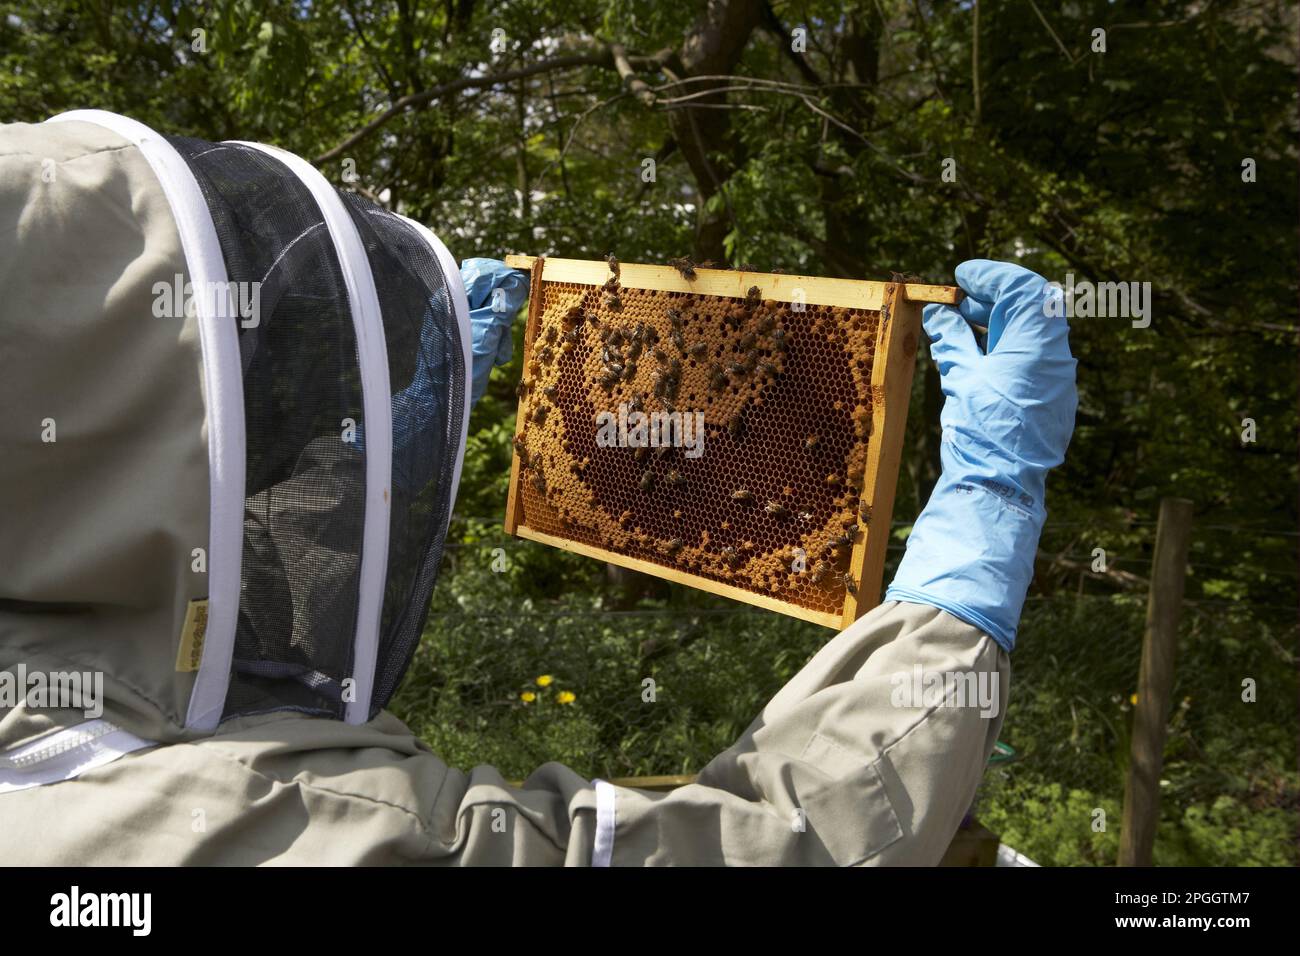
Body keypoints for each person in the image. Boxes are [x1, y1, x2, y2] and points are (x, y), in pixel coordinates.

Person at [0, 116, 1075, 865]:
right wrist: (981, 521)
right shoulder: (273, 829)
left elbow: (207, 572)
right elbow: (779, 844)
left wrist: (385, 436)